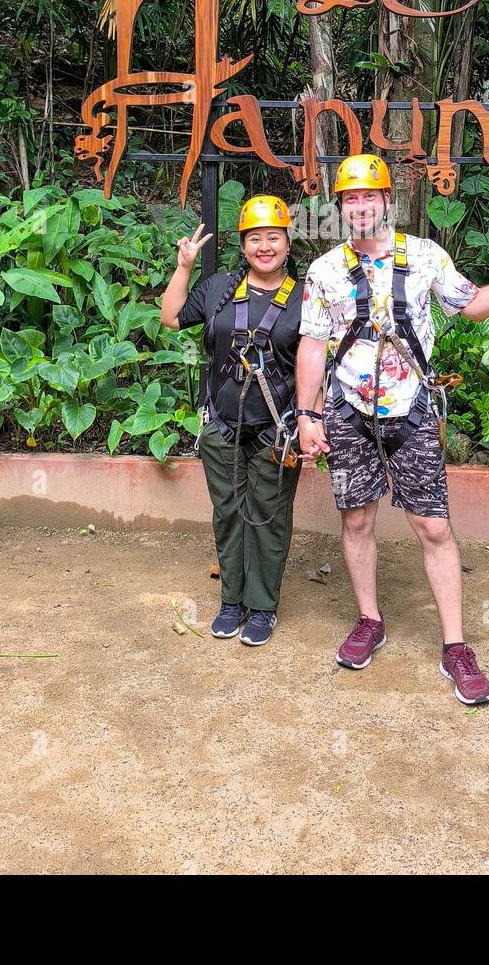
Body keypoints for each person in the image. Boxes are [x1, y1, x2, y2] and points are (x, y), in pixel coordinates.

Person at [294, 154, 489, 704]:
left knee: (432, 528)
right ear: (341, 208)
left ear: (388, 201)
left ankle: (455, 645)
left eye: (369, 197)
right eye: (349, 199)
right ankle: (369, 619)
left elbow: (473, 306)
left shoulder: (425, 256)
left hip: (411, 408)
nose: (360, 207)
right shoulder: (324, 271)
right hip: (349, 409)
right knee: (356, 521)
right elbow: (313, 344)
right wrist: (308, 415)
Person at [160, 195, 304, 647]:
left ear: (287, 242)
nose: (265, 247)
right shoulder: (221, 288)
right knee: (228, 514)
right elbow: (170, 318)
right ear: (243, 245)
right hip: (223, 424)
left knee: (269, 516)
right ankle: (232, 601)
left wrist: (310, 420)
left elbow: (315, 363)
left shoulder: (305, 298)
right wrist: (184, 266)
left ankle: (262, 607)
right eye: (255, 238)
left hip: (276, 429)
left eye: (273, 238)